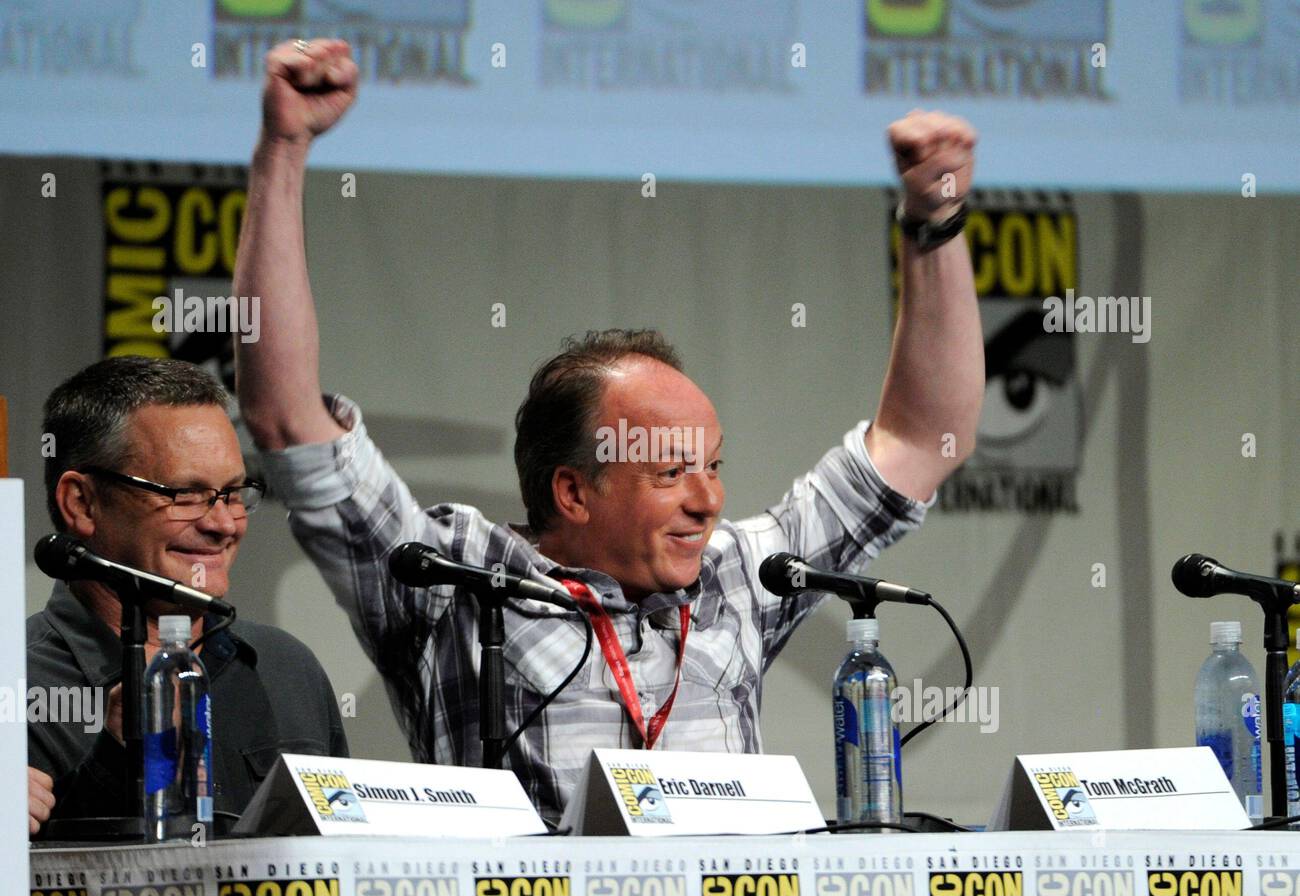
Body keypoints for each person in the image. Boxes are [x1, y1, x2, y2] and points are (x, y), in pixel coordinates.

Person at [234, 39, 984, 824]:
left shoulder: (741, 577)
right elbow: (288, 420)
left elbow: (923, 437)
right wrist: (284, 149)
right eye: (669, 473)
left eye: (713, 466)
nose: (709, 500)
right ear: (573, 491)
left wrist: (934, 223)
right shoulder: (452, 581)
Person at [27, 356, 349, 837]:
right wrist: (113, 755)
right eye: (184, 494)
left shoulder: (287, 668)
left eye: (234, 492)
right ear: (82, 503)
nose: (223, 524)